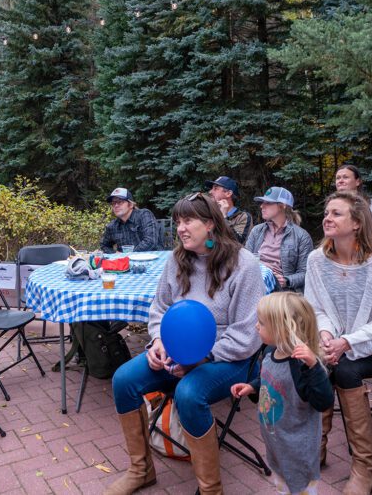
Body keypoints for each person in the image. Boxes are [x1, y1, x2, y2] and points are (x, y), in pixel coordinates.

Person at [106, 192, 264, 494]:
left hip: (229, 358)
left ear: (210, 224)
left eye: (188, 220)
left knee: (190, 394)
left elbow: (247, 335)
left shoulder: (244, 265)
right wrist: (157, 342)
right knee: (123, 379)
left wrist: (201, 358)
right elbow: (160, 309)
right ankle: (141, 471)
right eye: (178, 221)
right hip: (176, 353)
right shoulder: (176, 259)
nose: (180, 228)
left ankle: (210, 489)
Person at [304, 191, 372, 495]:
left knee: (346, 371)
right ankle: (315, 450)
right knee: (314, 363)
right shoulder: (316, 259)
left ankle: (364, 468)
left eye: (336, 213)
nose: (327, 218)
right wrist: (325, 336)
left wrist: (345, 342)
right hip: (334, 341)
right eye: (327, 212)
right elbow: (315, 308)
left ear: (357, 222)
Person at [230, 292, 334, 495]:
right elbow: (270, 378)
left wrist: (313, 366)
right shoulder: (271, 352)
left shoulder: (301, 366)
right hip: (277, 443)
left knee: (302, 488)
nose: (256, 327)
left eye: (261, 323)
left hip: (298, 450)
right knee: (283, 484)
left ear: (283, 329)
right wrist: (252, 387)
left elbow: (323, 401)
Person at [245, 187, 313, 293]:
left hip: (281, 291)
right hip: (254, 279)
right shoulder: (257, 231)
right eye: (262, 202)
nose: (262, 206)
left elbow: (306, 273)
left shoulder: (302, 236)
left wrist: (286, 280)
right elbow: (245, 260)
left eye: (268, 203)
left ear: (282, 206)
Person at [333, 165, 372, 243]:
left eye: (345, 177)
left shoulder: (371, 206)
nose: (340, 181)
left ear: (357, 182)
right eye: (338, 178)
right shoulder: (332, 207)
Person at [98, 188, 162, 253]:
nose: (116, 205)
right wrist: (115, 253)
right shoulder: (112, 226)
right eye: (113, 203)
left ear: (131, 205)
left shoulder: (144, 215)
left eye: (120, 202)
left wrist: (129, 255)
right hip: (126, 262)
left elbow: (150, 241)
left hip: (153, 259)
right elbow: (104, 245)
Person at [207, 176, 252, 243]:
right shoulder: (208, 214)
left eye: (215, 188)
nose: (210, 192)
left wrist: (223, 218)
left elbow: (239, 242)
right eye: (211, 188)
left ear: (228, 193)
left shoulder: (243, 217)